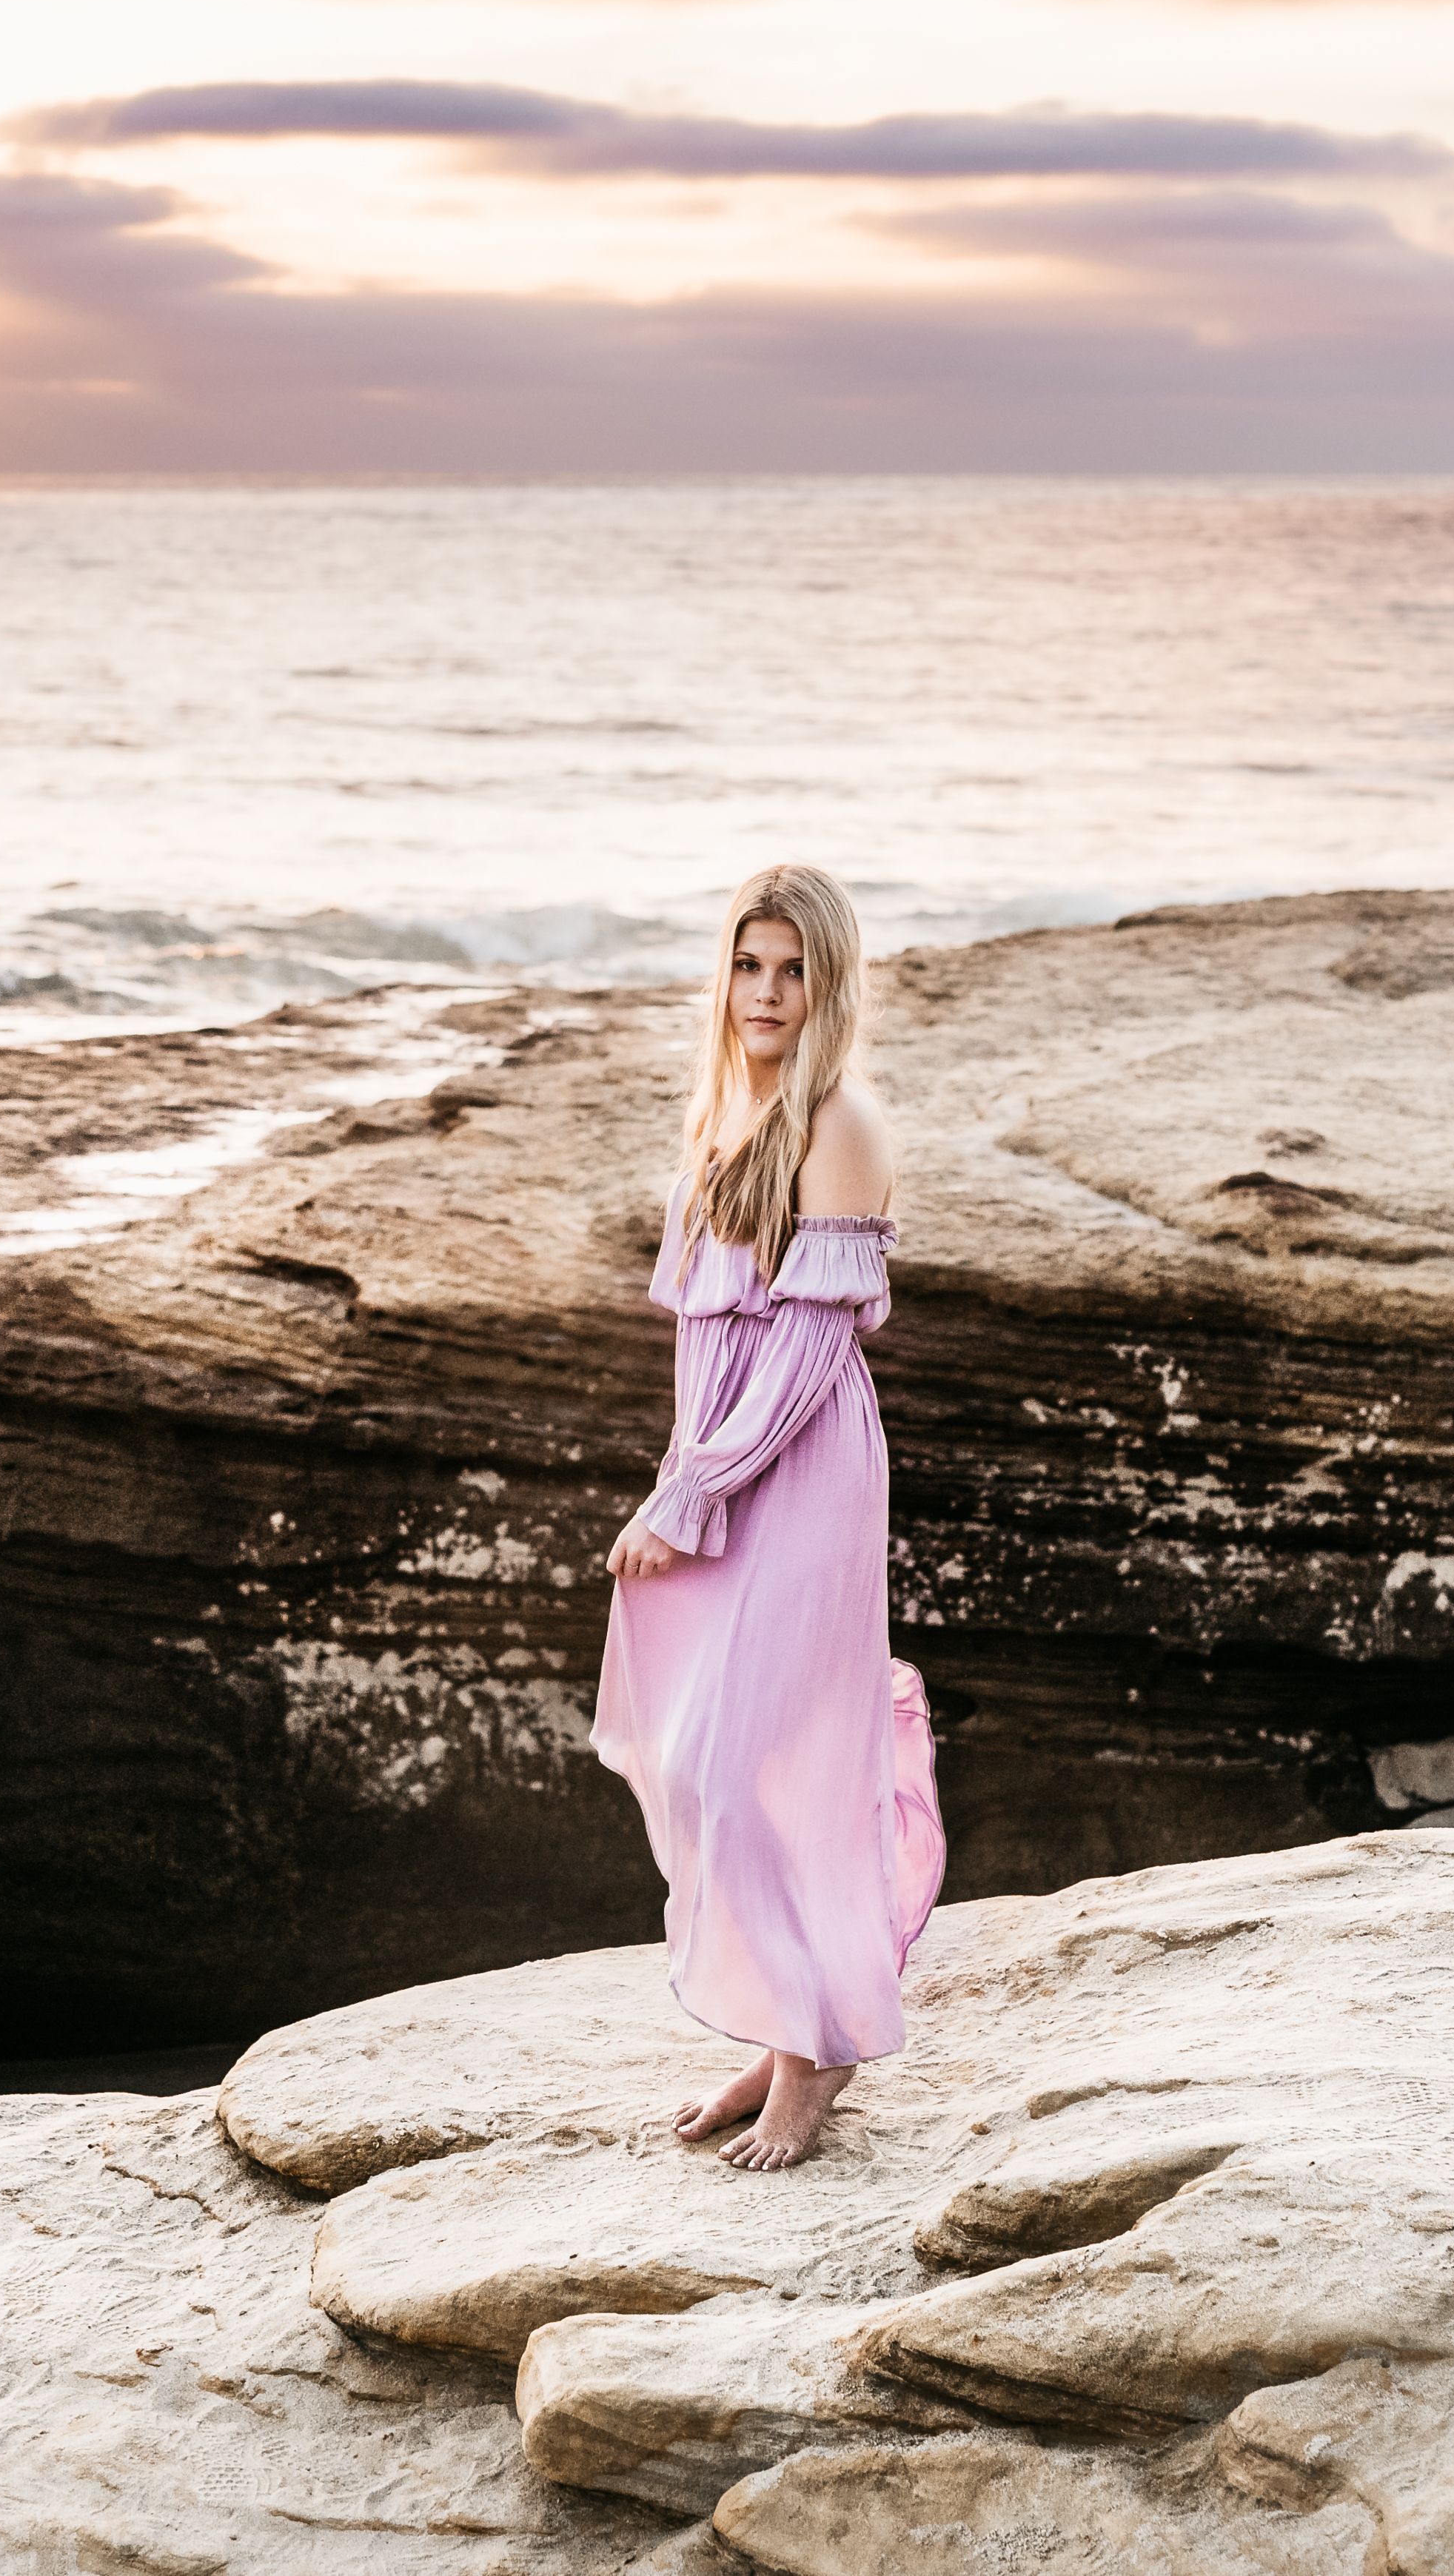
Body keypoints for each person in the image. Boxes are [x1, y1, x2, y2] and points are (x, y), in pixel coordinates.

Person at [595, 861, 946, 2171]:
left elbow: (799, 1361)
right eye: (749, 963)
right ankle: (781, 2024)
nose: (766, 991)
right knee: (700, 1760)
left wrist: (692, 1494)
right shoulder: (725, 1112)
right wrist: (682, 1469)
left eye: (793, 968)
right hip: (727, 1455)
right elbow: (709, 1338)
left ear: (830, 983)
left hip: (800, 1468)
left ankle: (817, 2057)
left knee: (769, 1762)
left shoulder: (840, 1124)